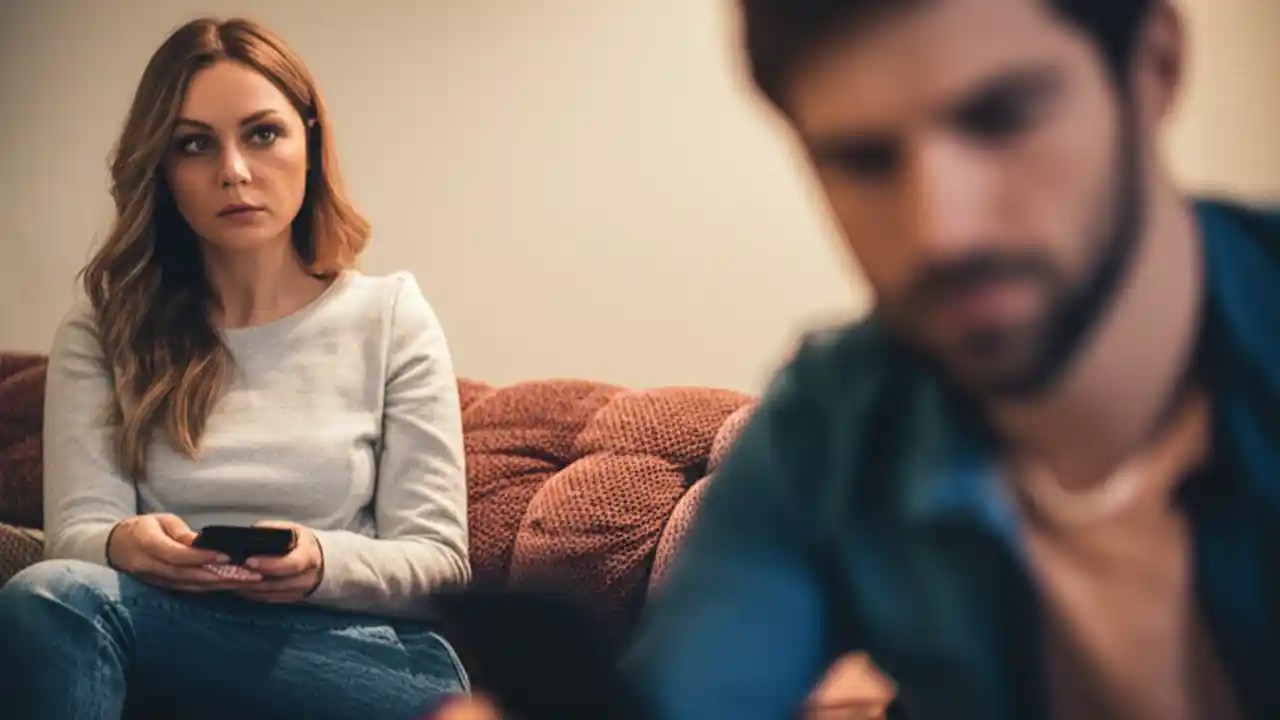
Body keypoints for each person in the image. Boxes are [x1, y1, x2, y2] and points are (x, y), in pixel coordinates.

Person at [623, 0, 1279, 718]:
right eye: (865, 159)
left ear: (1156, 65)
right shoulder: (832, 429)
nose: (943, 231)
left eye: (1002, 117)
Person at [0, 17, 471, 720]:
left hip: (368, 660)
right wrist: (124, 543)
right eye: (194, 144)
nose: (234, 171)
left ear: (309, 142)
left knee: (52, 602)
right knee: (49, 597)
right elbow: (75, 540)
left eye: (262, 133)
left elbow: (439, 563)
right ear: (161, 170)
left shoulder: (390, 315)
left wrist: (319, 562)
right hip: (164, 631)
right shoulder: (103, 331)